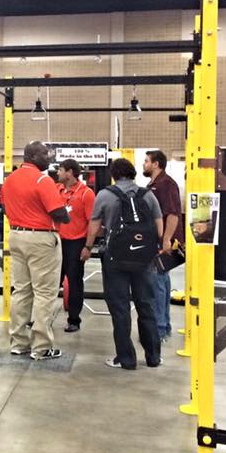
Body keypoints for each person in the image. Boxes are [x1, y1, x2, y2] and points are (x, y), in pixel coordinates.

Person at [82, 157, 163, 370]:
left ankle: (126, 359)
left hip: (115, 258)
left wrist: (88, 247)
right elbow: (159, 225)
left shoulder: (105, 195)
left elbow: (94, 225)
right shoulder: (148, 195)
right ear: (133, 173)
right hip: (144, 259)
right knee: (146, 305)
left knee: (120, 308)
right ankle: (154, 357)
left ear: (114, 174)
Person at [0, 141, 70, 361]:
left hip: (16, 236)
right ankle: (41, 347)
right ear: (32, 156)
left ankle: (18, 343)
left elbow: (5, 209)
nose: (48, 158)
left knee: (21, 290)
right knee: (44, 293)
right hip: (41, 239)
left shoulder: (9, 180)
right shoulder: (43, 180)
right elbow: (59, 213)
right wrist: (65, 213)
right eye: (44, 154)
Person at [142, 150, 184, 342]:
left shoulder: (166, 184)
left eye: (146, 161)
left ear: (156, 164)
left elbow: (173, 214)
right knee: (162, 282)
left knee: (157, 284)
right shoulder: (153, 185)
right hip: (156, 241)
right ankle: (164, 326)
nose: (144, 164)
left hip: (162, 243)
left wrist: (166, 240)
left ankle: (159, 330)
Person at [55, 159, 95, 333]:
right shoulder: (56, 189)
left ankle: (74, 320)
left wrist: (88, 247)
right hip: (56, 242)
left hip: (76, 244)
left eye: (60, 170)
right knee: (50, 281)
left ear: (70, 173)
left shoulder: (86, 194)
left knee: (74, 282)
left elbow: (93, 222)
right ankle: (42, 318)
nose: (58, 173)